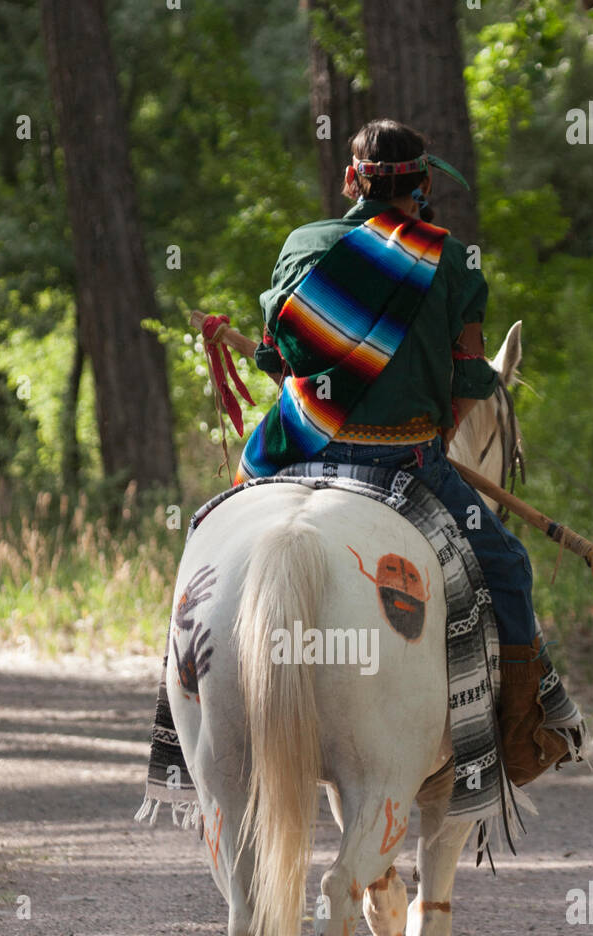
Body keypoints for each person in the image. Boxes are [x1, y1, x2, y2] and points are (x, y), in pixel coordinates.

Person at [240, 118, 569, 784]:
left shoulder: (304, 245)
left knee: (212, 537)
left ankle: (186, 690)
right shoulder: (448, 259)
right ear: (421, 185)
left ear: (349, 180)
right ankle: (521, 734)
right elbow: (474, 377)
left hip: (297, 454)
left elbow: (276, 359)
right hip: (404, 465)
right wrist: (435, 433)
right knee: (507, 564)